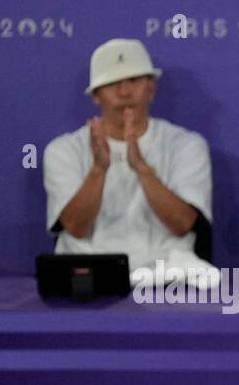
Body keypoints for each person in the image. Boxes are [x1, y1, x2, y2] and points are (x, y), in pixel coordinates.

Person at [43, 39, 214, 276]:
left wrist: (141, 168)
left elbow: (183, 225)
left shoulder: (186, 145)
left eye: (134, 81)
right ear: (95, 95)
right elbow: (75, 228)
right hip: (90, 279)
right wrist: (99, 169)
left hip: (167, 278)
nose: (124, 92)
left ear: (151, 89)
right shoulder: (63, 150)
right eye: (113, 83)